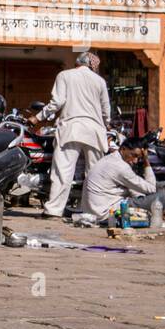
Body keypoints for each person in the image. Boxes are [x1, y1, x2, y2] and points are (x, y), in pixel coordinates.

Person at [30, 52, 111, 217]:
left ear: (77, 63)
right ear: (92, 66)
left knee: (63, 172)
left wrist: (37, 117)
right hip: (95, 131)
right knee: (95, 174)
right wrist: (106, 126)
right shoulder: (100, 81)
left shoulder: (65, 75)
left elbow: (57, 102)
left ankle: (54, 210)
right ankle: (94, 212)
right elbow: (106, 111)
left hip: (71, 128)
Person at [79, 134, 165, 220]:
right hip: (106, 213)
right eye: (134, 155)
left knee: (156, 190)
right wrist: (146, 160)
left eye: (138, 158)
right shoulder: (121, 167)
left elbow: (133, 189)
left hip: (94, 211)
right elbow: (151, 189)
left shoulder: (112, 159)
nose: (135, 161)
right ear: (123, 149)